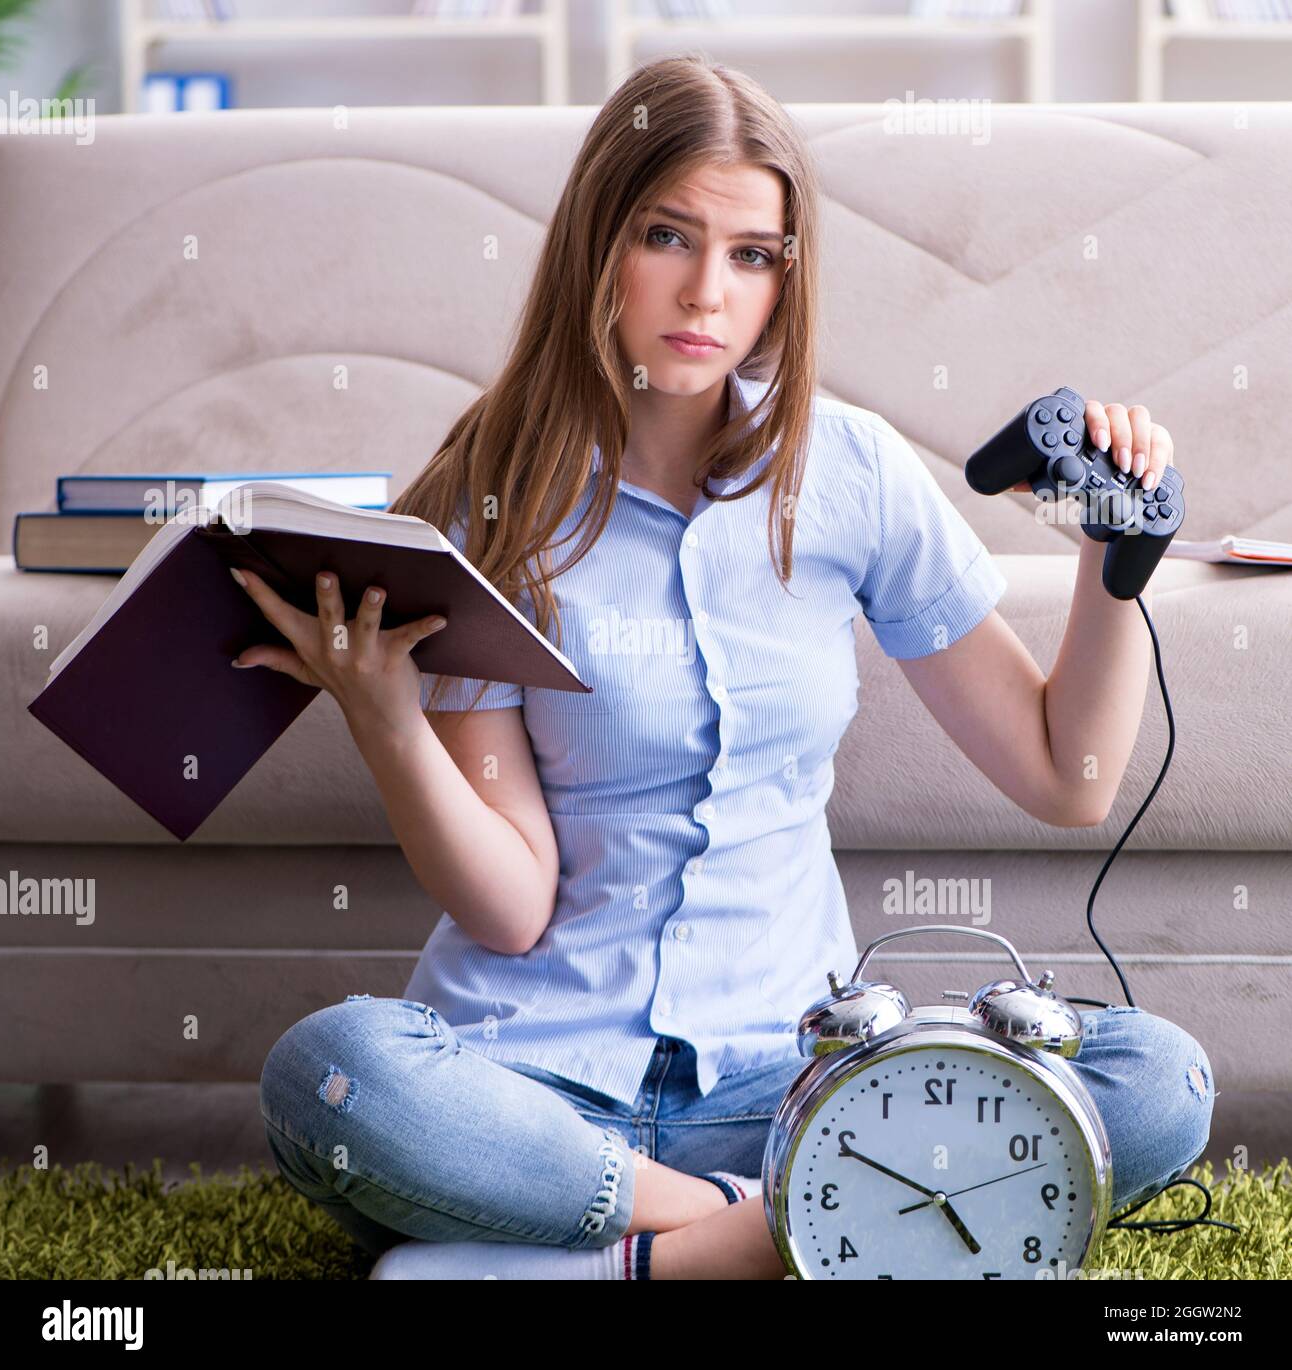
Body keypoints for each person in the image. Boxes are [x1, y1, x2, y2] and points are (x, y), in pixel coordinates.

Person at [248, 55, 1214, 1280]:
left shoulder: (848, 469)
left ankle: (617, 1261)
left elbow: (1064, 775)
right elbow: (511, 905)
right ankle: (784, 1225)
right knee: (334, 1072)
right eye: (668, 235)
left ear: (783, 280)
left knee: (1155, 1076)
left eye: (754, 254)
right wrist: (387, 720)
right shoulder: (490, 496)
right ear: (599, 241)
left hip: (797, 1076)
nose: (708, 290)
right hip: (539, 1090)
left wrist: (1115, 558)